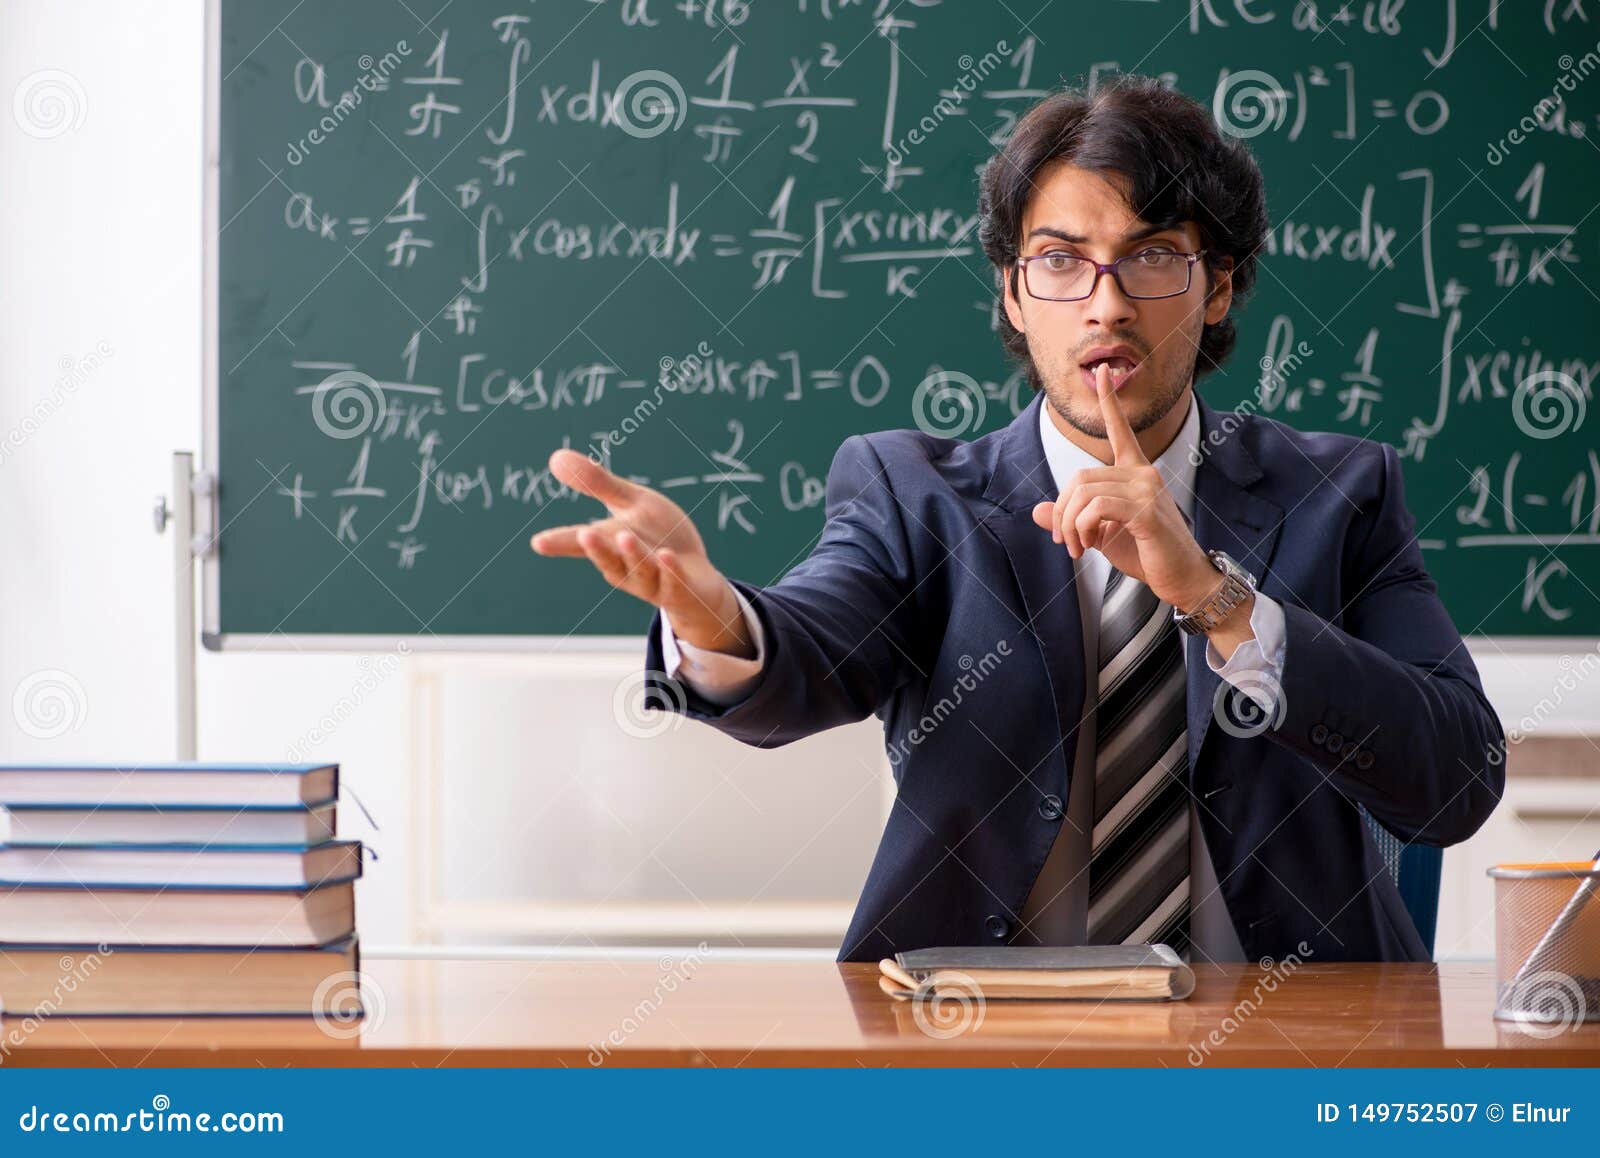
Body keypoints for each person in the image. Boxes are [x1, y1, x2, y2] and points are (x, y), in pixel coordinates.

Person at [530, 75, 1504, 964]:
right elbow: (811, 656)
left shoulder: (1340, 494)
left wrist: (1216, 601)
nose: (1106, 305)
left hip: (1277, 1042)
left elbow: (1458, 780)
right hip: (977, 1039)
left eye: (1154, 257)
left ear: (1220, 287)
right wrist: (715, 621)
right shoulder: (914, 492)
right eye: (1060, 262)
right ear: (1012, 291)